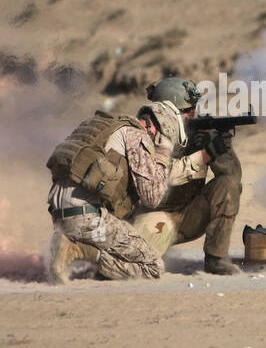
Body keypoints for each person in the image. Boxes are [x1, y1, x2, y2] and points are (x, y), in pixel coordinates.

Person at [46, 100, 183, 282]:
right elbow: (152, 197)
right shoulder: (136, 136)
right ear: (159, 131)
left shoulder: (102, 126)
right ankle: (78, 250)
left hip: (59, 216)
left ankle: (71, 249)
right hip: (87, 219)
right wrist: (163, 153)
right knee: (152, 267)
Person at [129, 77, 243, 276]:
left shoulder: (195, 133)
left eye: (193, 108)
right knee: (135, 266)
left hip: (190, 215)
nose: (193, 113)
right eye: (186, 110)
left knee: (228, 184)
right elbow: (163, 177)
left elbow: (232, 179)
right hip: (155, 216)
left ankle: (216, 258)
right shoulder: (144, 135)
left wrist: (219, 149)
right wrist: (201, 154)